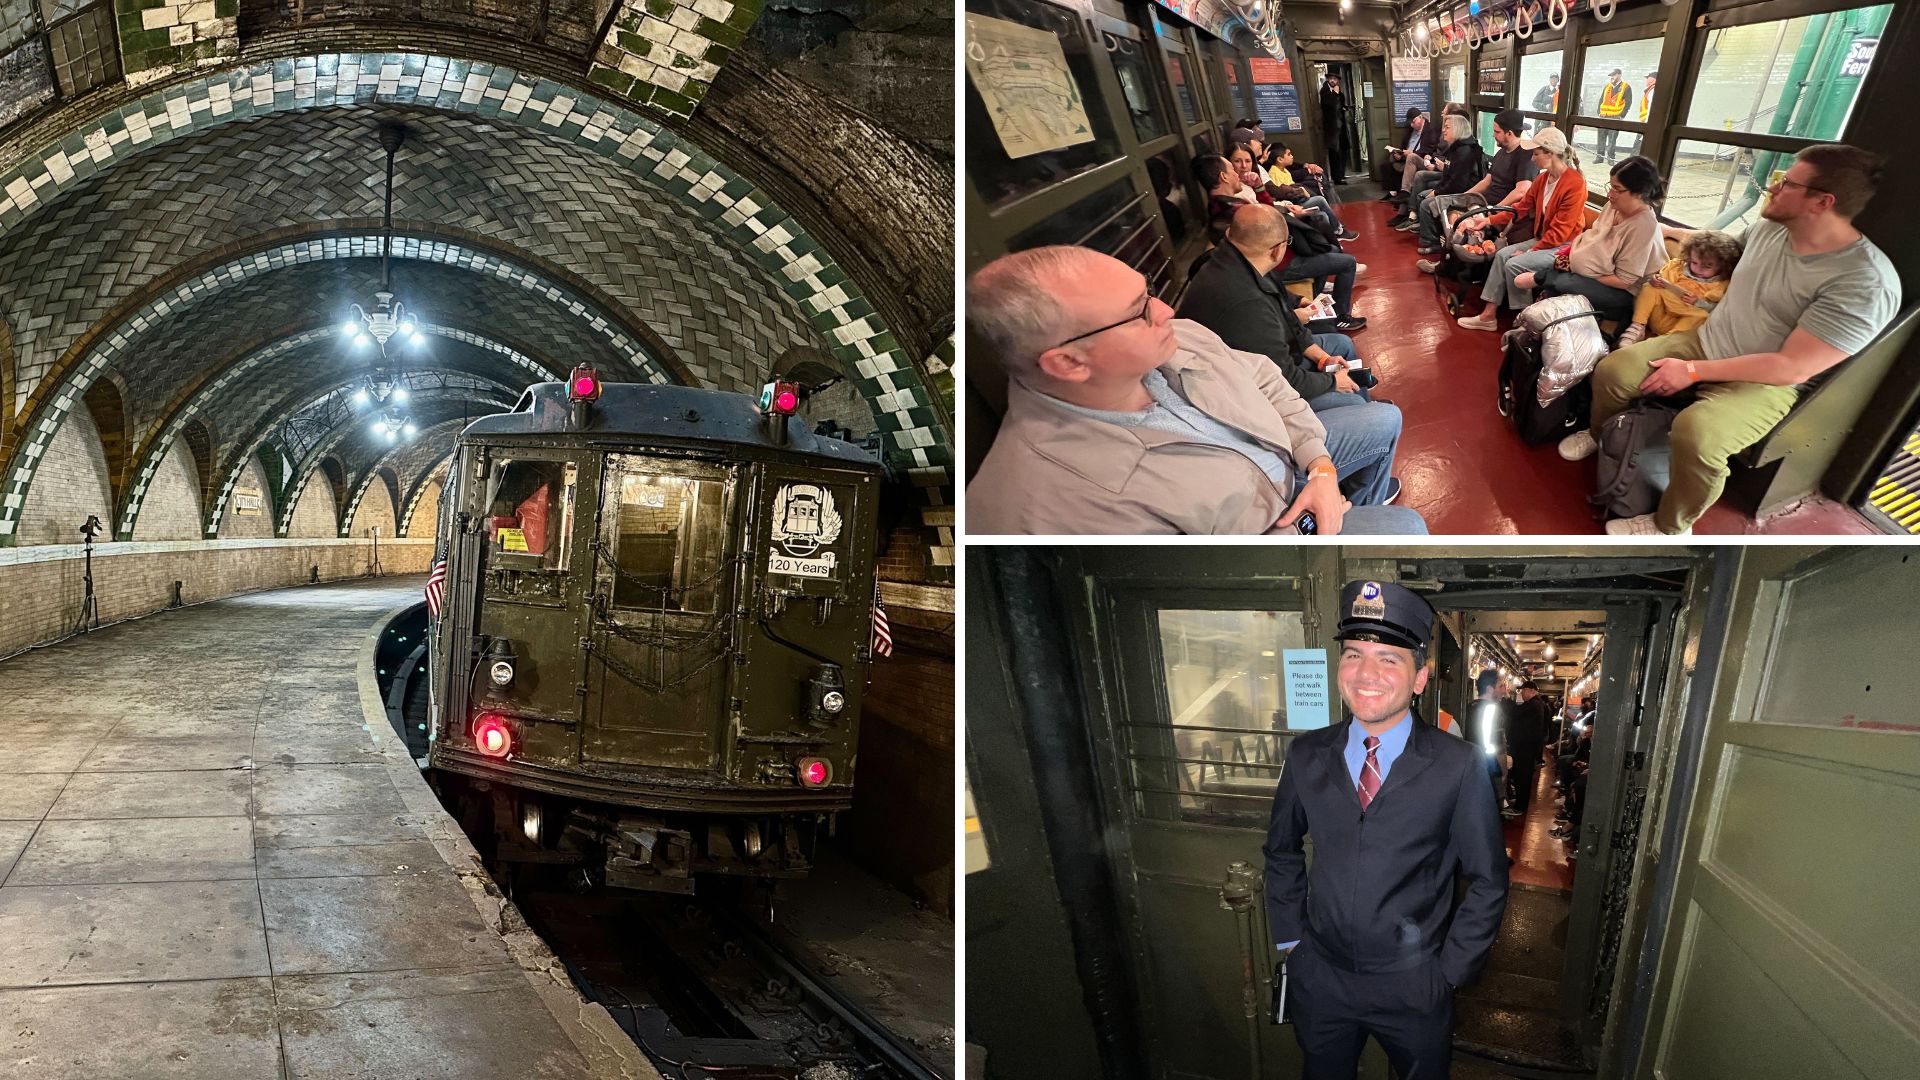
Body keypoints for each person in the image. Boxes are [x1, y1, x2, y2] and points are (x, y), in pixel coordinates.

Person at [1560, 143, 1901, 535]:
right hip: (1707, 339)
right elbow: (1721, 252)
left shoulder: (1863, 283)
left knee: (1698, 435)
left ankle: (1671, 524)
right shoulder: (1769, 229)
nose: (1772, 188)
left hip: (1764, 381)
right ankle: (1600, 435)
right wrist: (1666, 235)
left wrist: (1691, 371)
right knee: (1614, 370)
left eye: (1786, 183)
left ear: (1822, 202)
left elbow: (1791, 367)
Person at [965, 246, 1428, 535]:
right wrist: (1314, 532)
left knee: (1384, 417)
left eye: (1148, 293)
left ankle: (1351, 505)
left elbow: (1266, 376)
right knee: (1407, 527)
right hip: (1272, 528)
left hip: (1293, 465)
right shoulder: (1049, 510)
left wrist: (1323, 472)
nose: (1165, 310)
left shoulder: (1179, 335)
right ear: (1067, 362)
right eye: (1137, 313)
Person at [1264, 580, 1508, 1079]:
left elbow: (1488, 879)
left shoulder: (1457, 766)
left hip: (1414, 986)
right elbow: (1281, 851)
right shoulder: (1307, 754)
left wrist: (1449, 973)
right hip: (1322, 978)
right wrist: (1293, 943)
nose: (1366, 674)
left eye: (1389, 659)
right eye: (1353, 655)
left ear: (1420, 677)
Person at [1179, 205, 1390, 419]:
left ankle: (1364, 401)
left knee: (1341, 344)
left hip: (1264, 363)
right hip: (1250, 395)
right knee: (1359, 405)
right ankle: (1362, 408)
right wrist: (1334, 382)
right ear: (1278, 250)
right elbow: (1284, 378)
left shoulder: (1237, 261)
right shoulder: (1246, 303)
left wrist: (1322, 357)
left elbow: (1281, 304)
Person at [1502, 154, 1668, 329]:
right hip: (1593, 274)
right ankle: (1530, 329)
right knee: (1554, 287)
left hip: (1623, 294)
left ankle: (1543, 279)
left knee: (1564, 282)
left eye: (1617, 189)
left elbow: (1624, 281)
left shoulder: (1643, 226)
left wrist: (1582, 271)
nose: (1609, 194)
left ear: (1639, 193)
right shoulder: (1613, 207)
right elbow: (1593, 240)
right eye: (1610, 187)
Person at [1454, 127, 1587, 329]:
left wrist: (1531, 250)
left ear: (1550, 153)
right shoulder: (1543, 179)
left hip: (1565, 247)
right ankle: (1489, 315)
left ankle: (1525, 321)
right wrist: (1488, 220)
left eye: (1535, 153)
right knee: (1501, 255)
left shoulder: (1575, 183)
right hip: (1544, 240)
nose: (1532, 159)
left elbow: (1560, 232)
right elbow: (1520, 208)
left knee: (1514, 263)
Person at [1413, 110, 1536, 261]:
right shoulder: (1501, 153)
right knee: (1450, 209)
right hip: (1484, 201)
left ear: (1509, 133)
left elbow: (1522, 190)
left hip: (1499, 207)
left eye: (1497, 132)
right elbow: (1486, 181)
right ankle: (1450, 259)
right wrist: (1463, 197)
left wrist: (1493, 209)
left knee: (1461, 220)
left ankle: (1454, 259)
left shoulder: (1526, 156)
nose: (1493, 135)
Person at [1615, 230, 1742, 347]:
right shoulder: (1677, 267)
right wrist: (1655, 281)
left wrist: (1697, 302)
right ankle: (1637, 327)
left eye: (1707, 266)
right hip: (1658, 313)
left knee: (1702, 315)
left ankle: (1663, 342)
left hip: (1681, 324)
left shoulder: (1721, 284)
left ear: (1722, 266)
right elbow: (1659, 280)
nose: (1698, 269)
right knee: (1649, 287)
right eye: (1695, 262)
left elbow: (1717, 310)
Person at [1506, 680, 1551, 816]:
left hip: (1525, 748)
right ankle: (1519, 801)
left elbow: (1515, 712)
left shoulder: (1533, 704)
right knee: (1522, 776)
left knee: (1523, 776)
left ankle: (1521, 806)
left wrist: (1507, 700)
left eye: (1523, 690)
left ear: (1531, 690)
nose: (1522, 693)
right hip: (1527, 747)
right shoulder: (1536, 704)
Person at [1320, 73, 1353, 185]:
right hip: (1332, 128)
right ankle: (1336, 178)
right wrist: (1335, 93)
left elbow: (1340, 105)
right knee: (1335, 152)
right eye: (1331, 79)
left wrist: (1346, 108)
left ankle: (1341, 174)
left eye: (1335, 79)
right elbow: (1329, 104)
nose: (1333, 81)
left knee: (1344, 150)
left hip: (1341, 126)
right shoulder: (1325, 91)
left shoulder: (1340, 93)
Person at [1595, 69, 1632, 163]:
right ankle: (1599, 157)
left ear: (1619, 75)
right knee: (1601, 138)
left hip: (1615, 117)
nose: (1612, 77)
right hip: (1603, 116)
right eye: (1611, 75)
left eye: (1614, 75)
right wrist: (1599, 111)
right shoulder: (1607, 86)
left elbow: (1628, 102)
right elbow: (1601, 99)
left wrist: (1622, 116)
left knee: (1612, 139)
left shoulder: (1626, 87)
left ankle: (1610, 158)